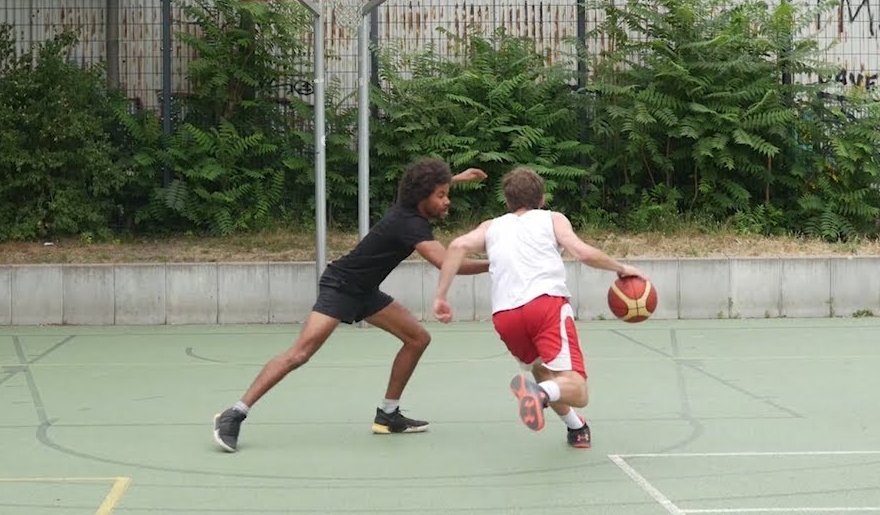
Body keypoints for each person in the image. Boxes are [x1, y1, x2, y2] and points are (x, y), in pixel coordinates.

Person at [212, 157, 490, 453]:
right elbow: (447, 263)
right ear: (423, 197)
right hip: (340, 286)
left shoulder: (409, 201)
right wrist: (494, 264)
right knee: (300, 353)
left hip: (364, 290)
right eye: (441, 195)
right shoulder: (410, 224)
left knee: (417, 338)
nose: (447, 201)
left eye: (447, 193)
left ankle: (388, 414)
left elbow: (419, 185)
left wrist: (455, 178)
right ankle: (234, 414)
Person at [430, 166, 647, 448]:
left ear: (507, 202)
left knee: (544, 372)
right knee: (578, 389)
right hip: (546, 307)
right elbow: (580, 251)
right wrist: (620, 268)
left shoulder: (491, 226)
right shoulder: (552, 218)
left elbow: (457, 246)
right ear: (541, 199)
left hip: (506, 317)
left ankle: (576, 427)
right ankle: (539, 393)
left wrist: (440, 296)